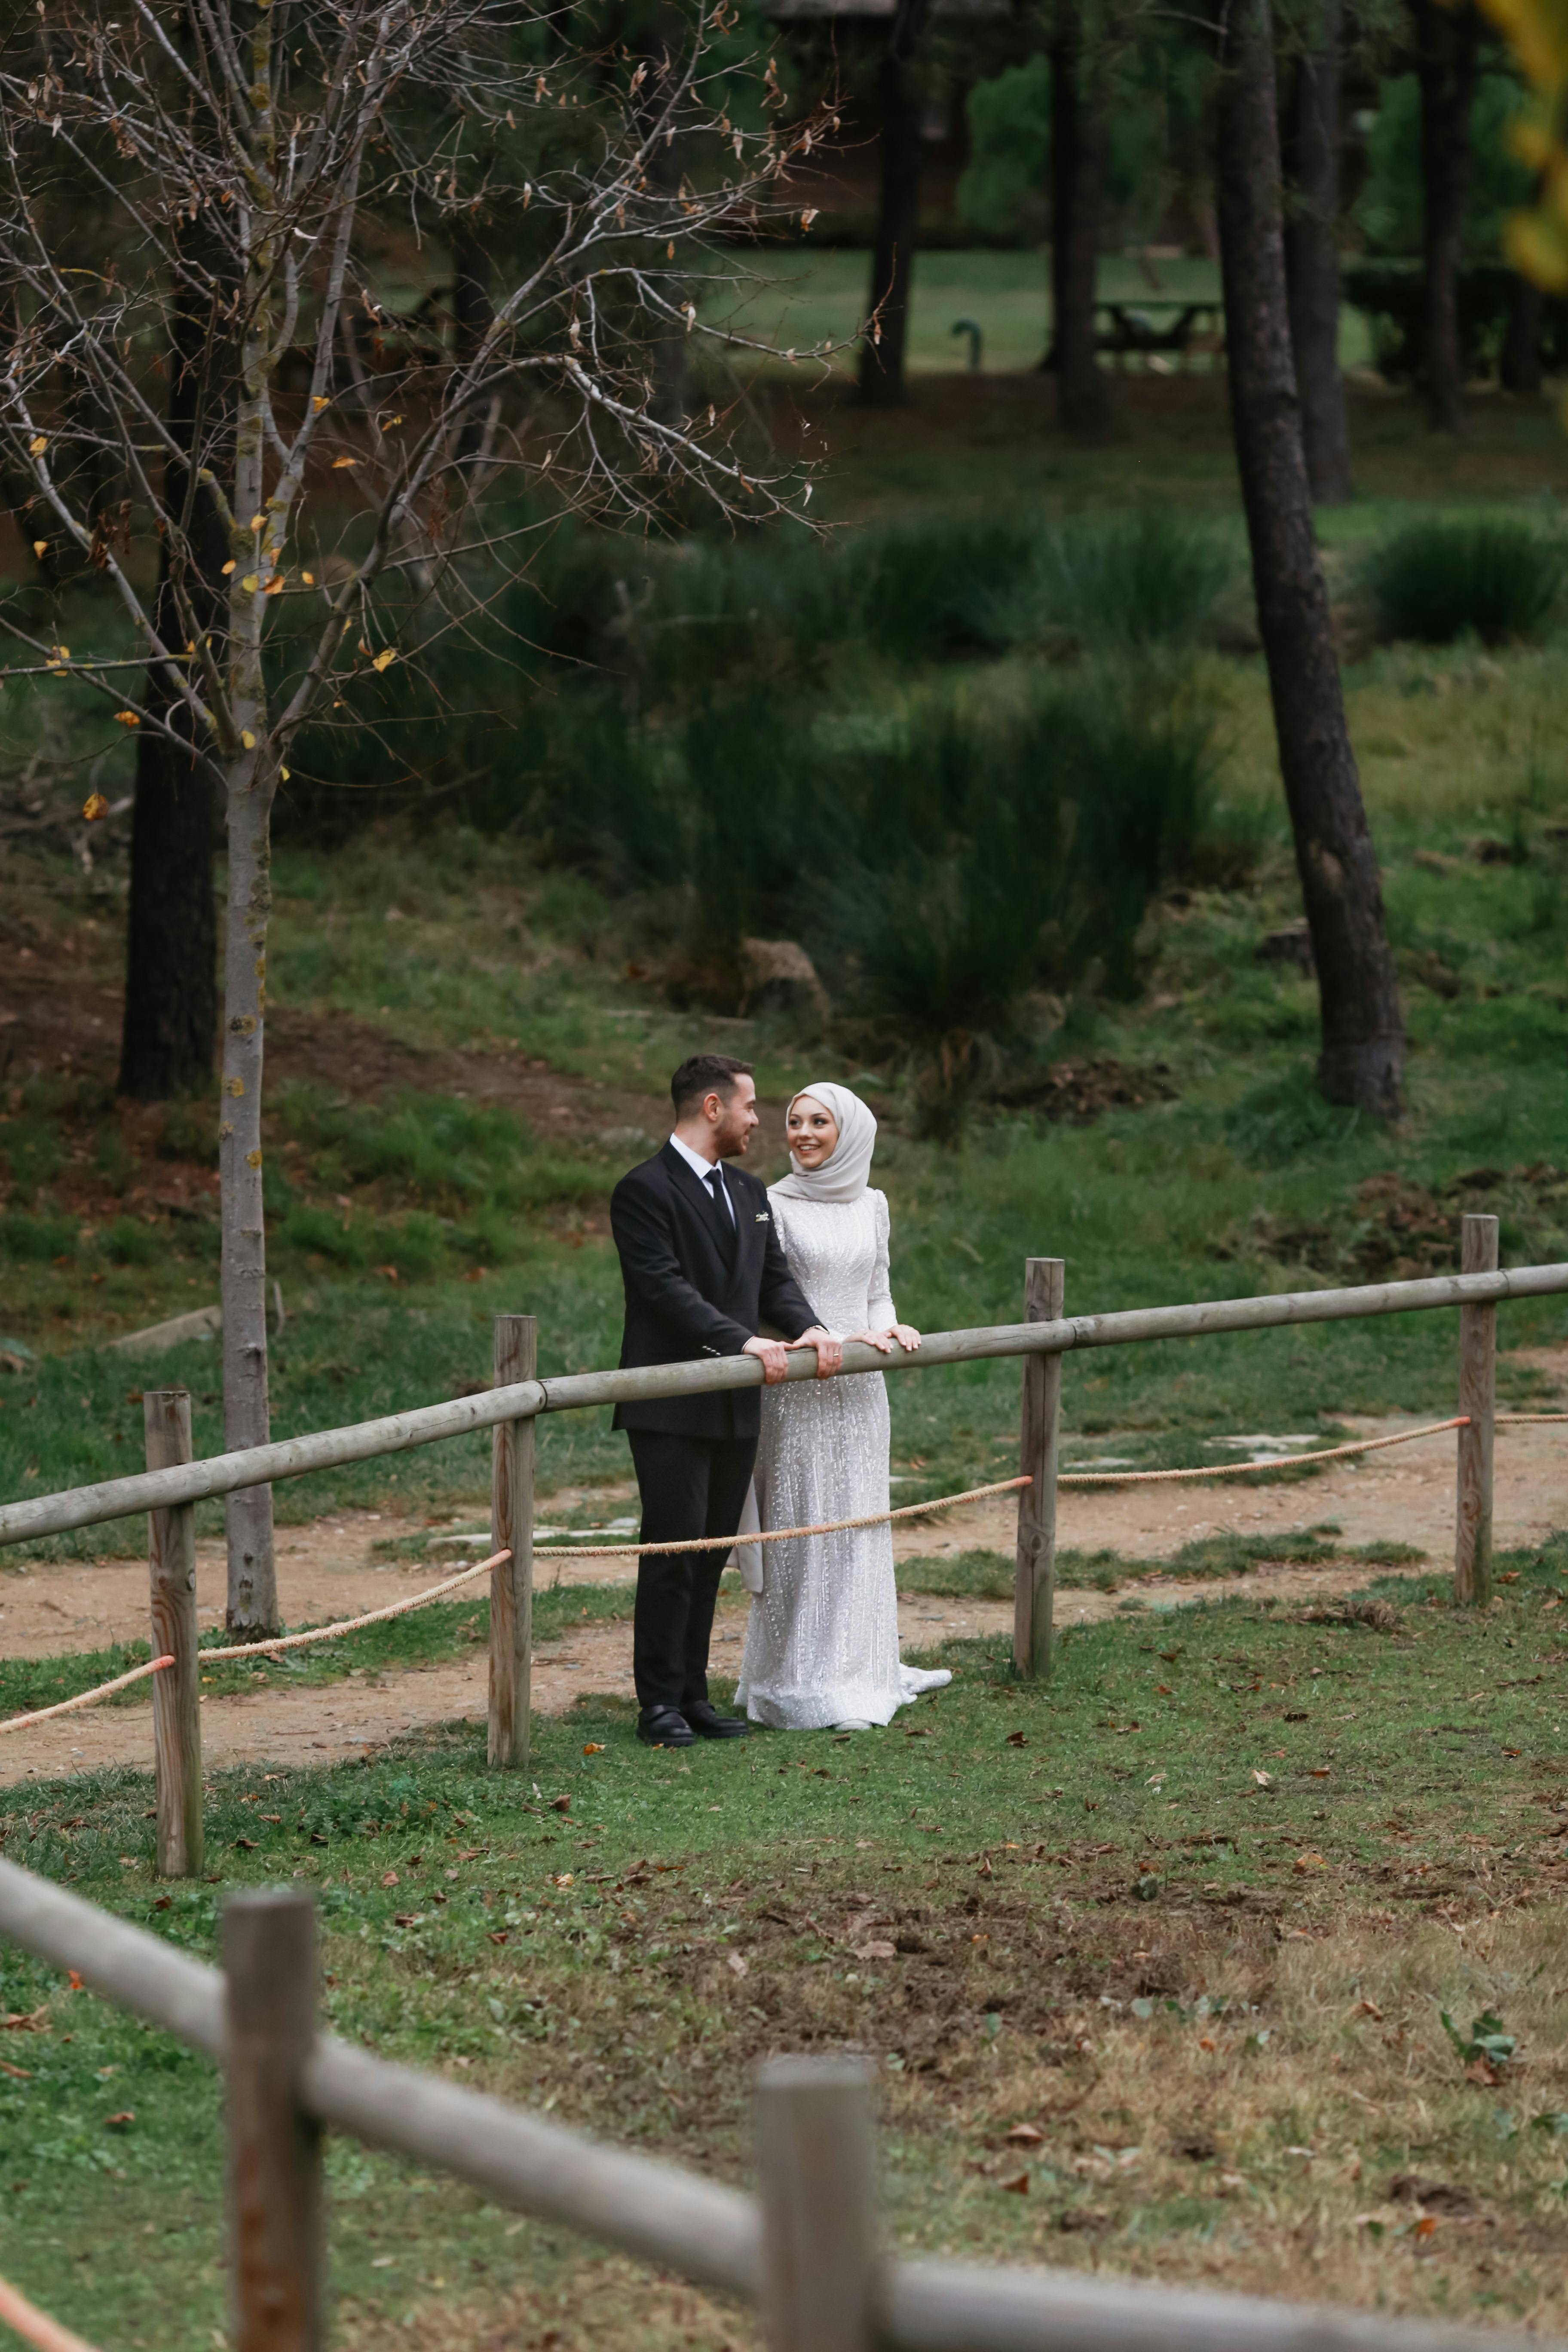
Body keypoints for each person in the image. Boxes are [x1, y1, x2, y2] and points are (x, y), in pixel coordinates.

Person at [609, 1054, 842, 1750]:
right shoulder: (643, 1190)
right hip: (670, 1404)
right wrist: (740, 1341)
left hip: (739, 1400)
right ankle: (658, 1704)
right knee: (673, 1550)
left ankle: (693, 1694)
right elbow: (662, 1286)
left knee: (713, 1553)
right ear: (712, 1107)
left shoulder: (749, 1192)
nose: (757, 1120)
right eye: (749, 1105)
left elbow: (774, 1282)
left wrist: (810, 1329)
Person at [736, 1082, 952, 1732]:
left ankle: (868, 1667)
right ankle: (800, 1678)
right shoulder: (771, 1203)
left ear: (850, 1132)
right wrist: (830, 1336)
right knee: (806, 1522)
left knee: (860, 1520)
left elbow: (877, 1289)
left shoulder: (873, 1203)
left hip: (862, 1388)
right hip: (799, 1388)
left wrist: (890, 1328)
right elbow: (770, 1296)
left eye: (819, 1122)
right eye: (795, 1121)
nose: (803, 1133)